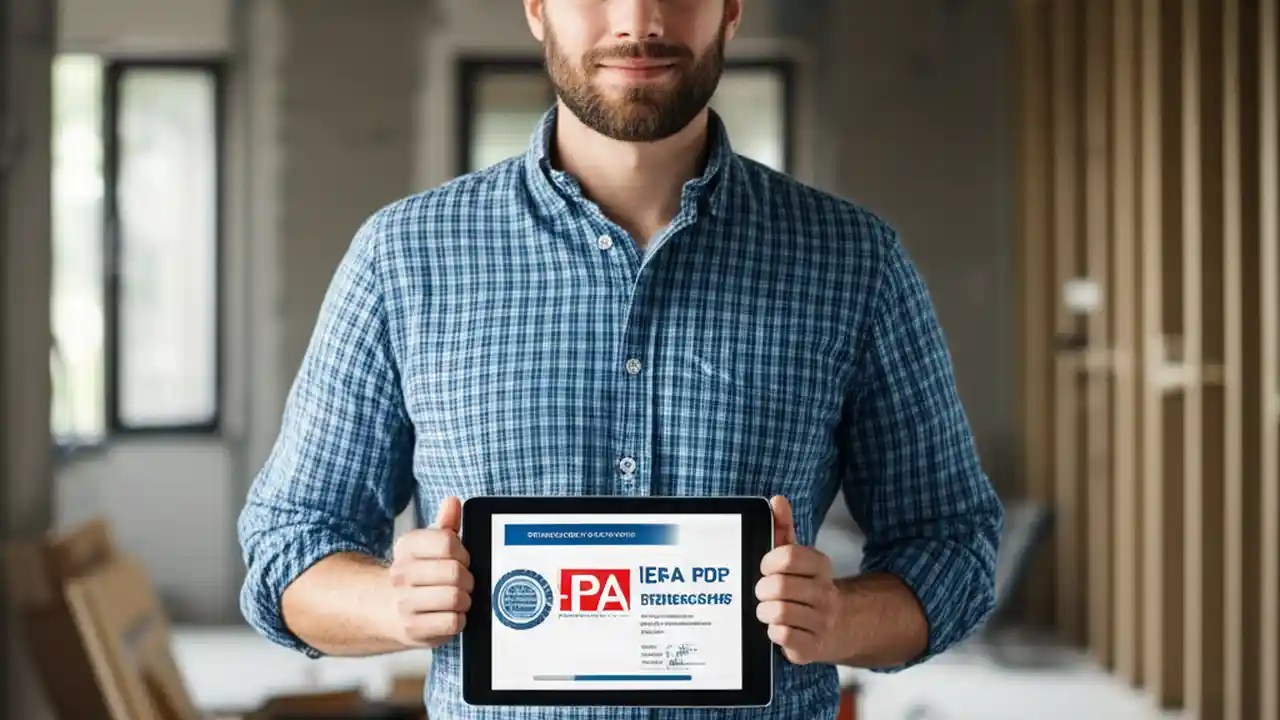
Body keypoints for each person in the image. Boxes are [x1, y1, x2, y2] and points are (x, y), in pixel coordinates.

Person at [237, 0, 1003, 717]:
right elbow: (289, 549)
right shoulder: (403, 258)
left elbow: (954, 550)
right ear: (537, 7)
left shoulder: (852, 262)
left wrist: (840, 619)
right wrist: (393, 604)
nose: (639, 21)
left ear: (732, 7)